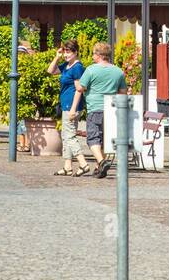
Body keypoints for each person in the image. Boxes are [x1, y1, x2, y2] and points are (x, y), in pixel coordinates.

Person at [71, 41, 127, 179]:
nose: (92, 57)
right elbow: (123, 93)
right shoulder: (118, 71)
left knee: (93, 139)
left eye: (93, 54)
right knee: (105, 139)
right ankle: (99, 167)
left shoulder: (91, 70)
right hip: (112, 109)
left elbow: (79, 89)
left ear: (99, 55)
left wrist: (73, 109)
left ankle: (102, 161)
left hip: (95, 108)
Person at [47, 40, 89, 176]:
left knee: (70, 136)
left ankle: (83, 163)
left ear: (75, 52)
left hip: (72, 106)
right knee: (65, 136)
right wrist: (57, 57)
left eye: (68, 52)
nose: (66, 54)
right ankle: (67, 166)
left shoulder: (77, 68)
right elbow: (50, 70)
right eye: (64, 51)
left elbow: (79, 89)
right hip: (66, 105)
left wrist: (73, 109)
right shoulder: (66, 65)